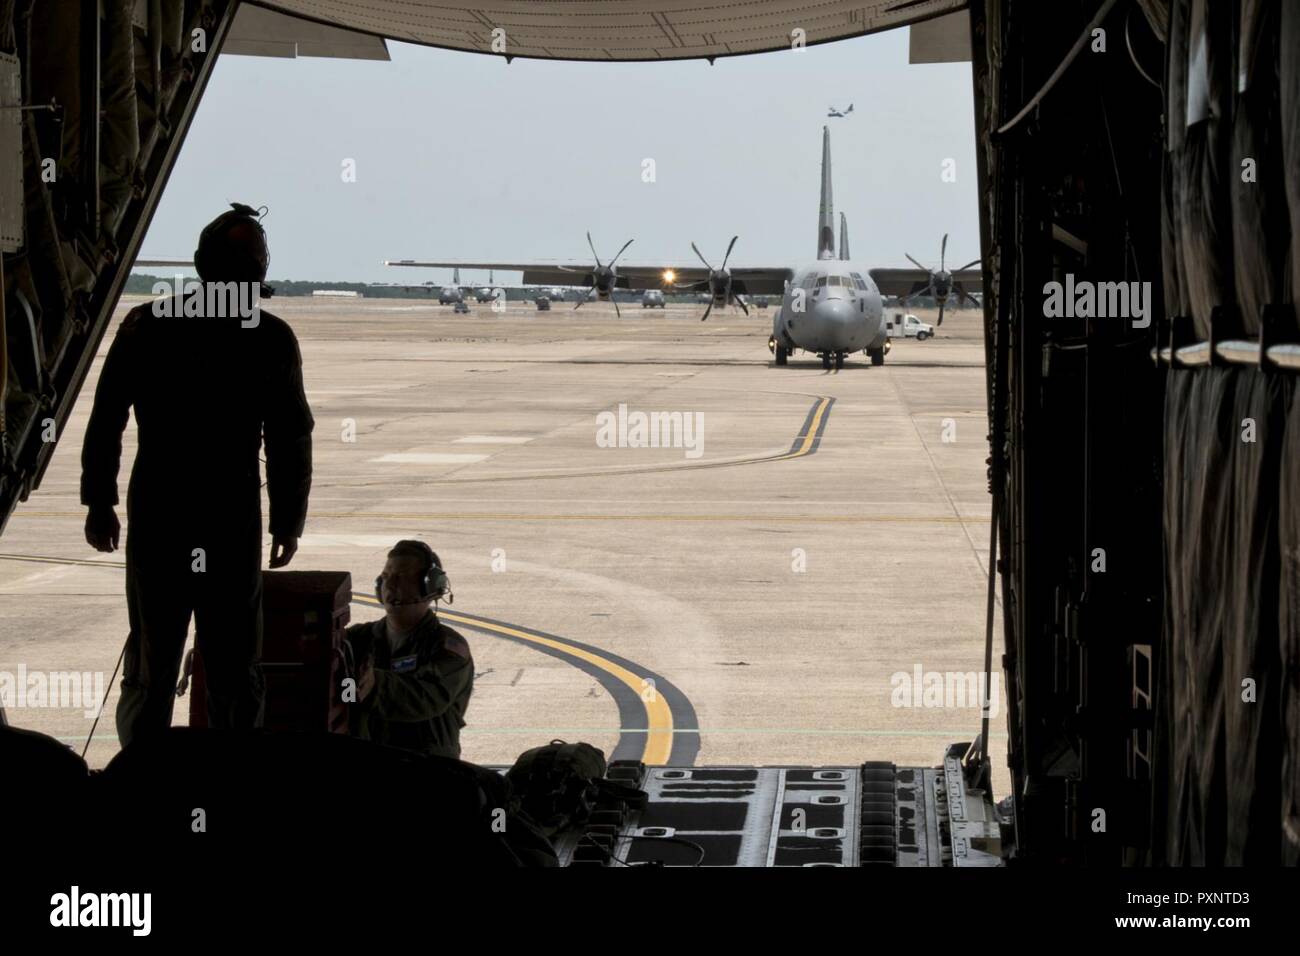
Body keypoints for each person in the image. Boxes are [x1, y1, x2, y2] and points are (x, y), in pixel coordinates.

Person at [81, 203, 314, 746]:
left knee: (155, 662)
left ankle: (142, 783)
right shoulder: (271, 338)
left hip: (163, 516)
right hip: (227, 521)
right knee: (233, 667)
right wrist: (287, 520)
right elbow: (290, 437)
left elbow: (107, 417)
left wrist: (100, 501)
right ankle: (226, 792)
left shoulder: (147, 326)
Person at [346, 541, 473, 759]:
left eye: (401, 577)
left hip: (427, 768)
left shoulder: (449, 648)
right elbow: (341, 693)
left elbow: (426, 698)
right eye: (385, 577)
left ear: (429, 586)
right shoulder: (357, 638)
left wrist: (375, 685)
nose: (390, 586)